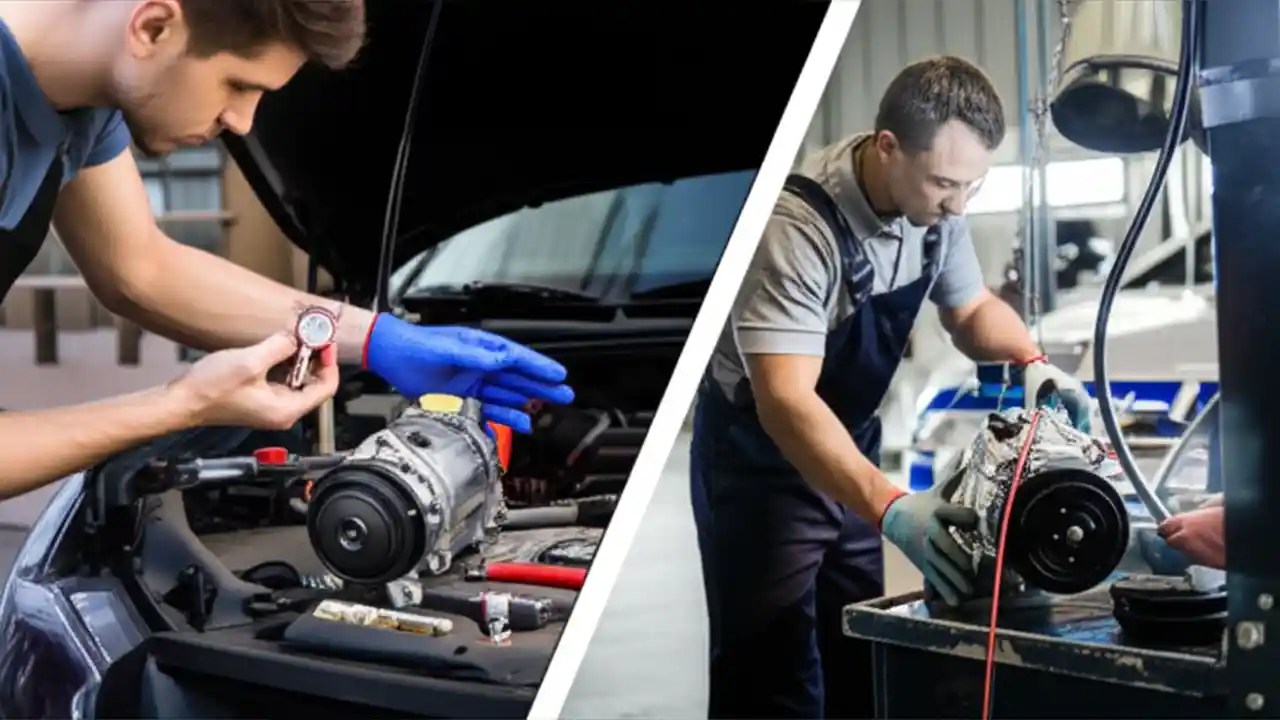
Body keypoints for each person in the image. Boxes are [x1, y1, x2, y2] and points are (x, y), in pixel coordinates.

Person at [0, 0, 573, 501]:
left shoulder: (83, 101)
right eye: (238, 83)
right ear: (152, 27)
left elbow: (141, 268)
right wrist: (181, 406)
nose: (243, 123)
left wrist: (374, 339)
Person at [689, 55, 1090, 719]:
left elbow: (968, 311)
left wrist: (1029, 359)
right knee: (771, 674)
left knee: (856, 645)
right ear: (887, 148)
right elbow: (784, 400)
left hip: (846, 441)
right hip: (759, 462)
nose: (958, 204)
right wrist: (892, 506)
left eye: (972, 186)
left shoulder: (938, 209)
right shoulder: (796, 228)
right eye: (943, 184)